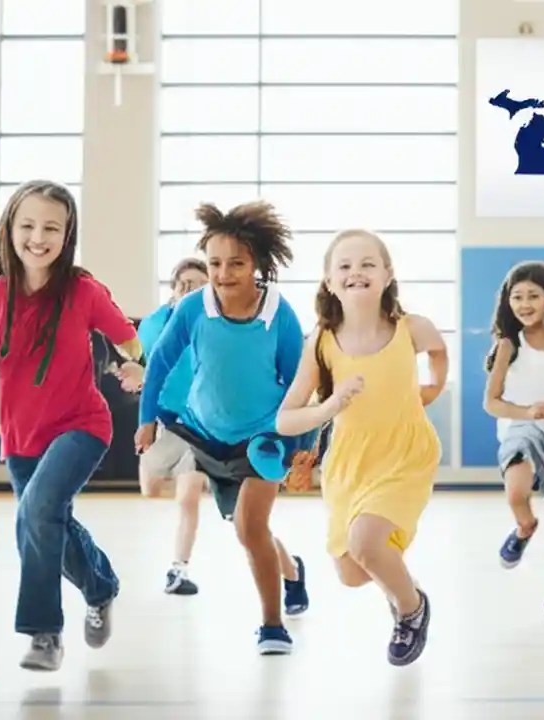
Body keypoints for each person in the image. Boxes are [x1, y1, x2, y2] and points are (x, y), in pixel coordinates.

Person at [0, 180, 143, 671]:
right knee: (45, 520)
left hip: (82, 425)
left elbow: (130, 342)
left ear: (67, 235)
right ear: (8, 229)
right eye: (27, 225)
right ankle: (100, 586)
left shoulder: (84, 291)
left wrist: (137, 365)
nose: (38, 237)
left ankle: (43, 634)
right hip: (20, 439)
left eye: (51, 227)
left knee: (37, 512)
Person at [135, 201, 311, 655]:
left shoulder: (279, 314)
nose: (223, 273)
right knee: (246, 525)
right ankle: (292, 571)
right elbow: (160, 362)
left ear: (257, 265)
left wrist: (302, 449)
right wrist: (146, 420)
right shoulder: (193, 307)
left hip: (262, 439)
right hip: (202, 434)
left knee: (249, 529)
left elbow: (299, 386)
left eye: (236, 263)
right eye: (214, 263)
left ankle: (273, 626)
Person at [274, 228, 446, 667]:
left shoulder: (412, 328)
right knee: (352, 572)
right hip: (350, 462)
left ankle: (411, 609)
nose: (356, 272)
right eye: (345, 266)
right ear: (329, 281)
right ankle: (403, 588)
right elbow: (285, 418)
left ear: (388, 274)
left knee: (367, 543)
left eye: (368, 263)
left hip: (405, 453)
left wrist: (432, 389)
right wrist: (328, 406)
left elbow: (438, 350)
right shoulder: (321, 342)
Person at [483, 261, 544, 624]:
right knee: (516, 493)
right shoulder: (508, 345)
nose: (524, 304)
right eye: (517, 297)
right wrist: (527, 412)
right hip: (520, 428)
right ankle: (524, 527)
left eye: (533, 296)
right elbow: (491, 402)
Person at [136, 258, 210, 595]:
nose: (192, 291)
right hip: (164, 422)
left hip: (200, 425)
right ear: (174, 290)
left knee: (188, 498)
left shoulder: (216, 327)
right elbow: (146, 368)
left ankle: (178, 569)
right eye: (186, 285)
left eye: (200, 286)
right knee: (150, 488)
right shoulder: (155, 324)